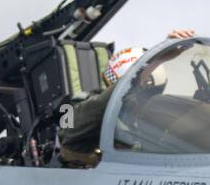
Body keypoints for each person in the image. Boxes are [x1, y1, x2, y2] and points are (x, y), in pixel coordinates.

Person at [59, 28, 195, 164]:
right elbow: (102, 104)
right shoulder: (78, 115)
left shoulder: (145, 125)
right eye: (142, 95)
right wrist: (155, 60)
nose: (146, 103)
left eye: (155, 94)